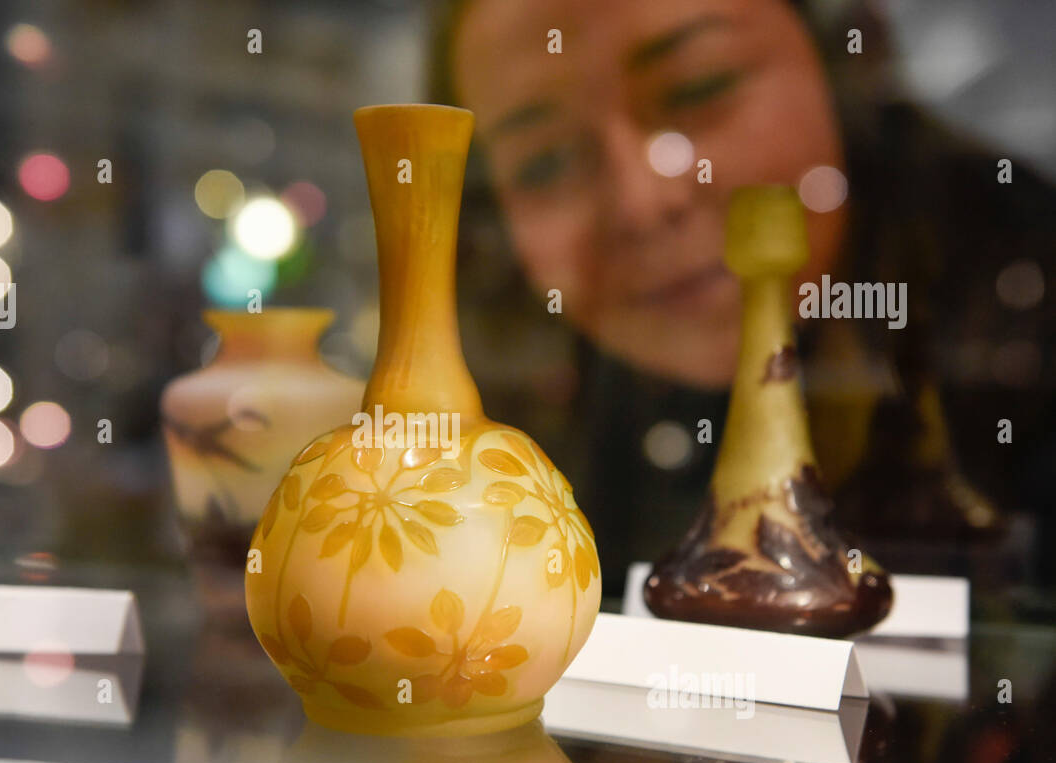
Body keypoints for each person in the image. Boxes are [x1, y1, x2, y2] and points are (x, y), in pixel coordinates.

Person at [437, 0, 1056, 597]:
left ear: (845, 69)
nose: (644, 203)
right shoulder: (513, 453)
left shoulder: (1026, 334)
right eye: (544, 162)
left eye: (699, 88)